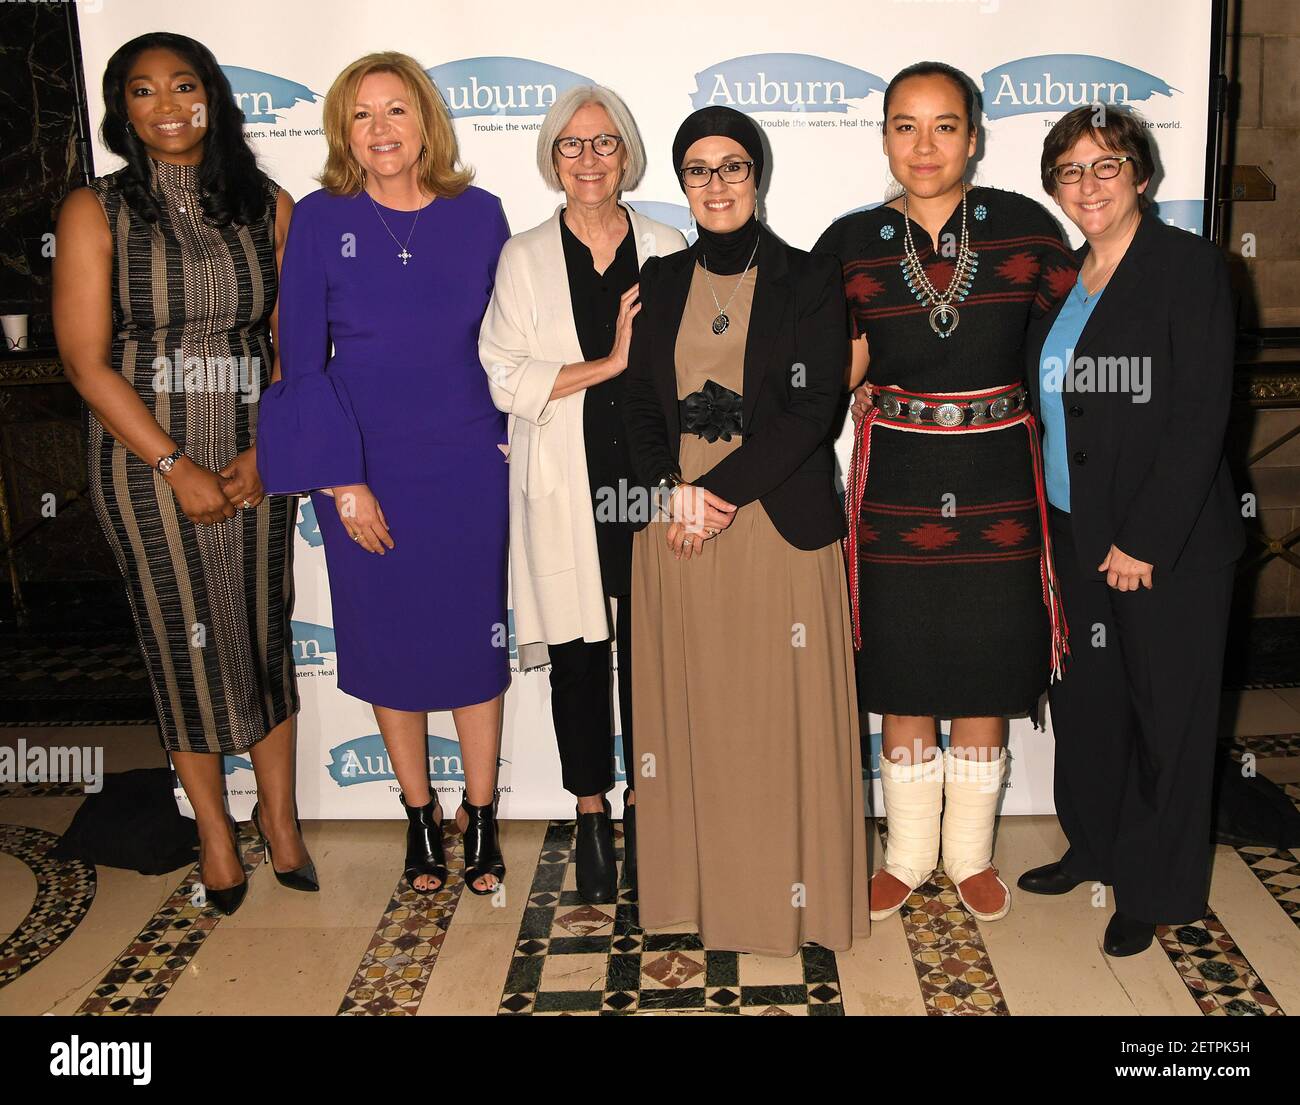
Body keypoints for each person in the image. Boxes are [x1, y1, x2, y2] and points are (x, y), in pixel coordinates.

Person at [54, 32, 313, 915]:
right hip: (144, 459)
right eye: (142, 90)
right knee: (180, 639)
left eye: (183, 85)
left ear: (213, 97)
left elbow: (295, 342)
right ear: (121, 109)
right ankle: (213, 832)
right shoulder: (96, 210)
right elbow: (88, 363)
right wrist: (175, 464)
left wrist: (260, 450)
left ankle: (280, 821)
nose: (166, 104)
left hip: (255, 449)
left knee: (262, 627)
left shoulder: (268, 203)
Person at [814, 62, 1077, 923]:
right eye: (905, 125)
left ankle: (966, 858)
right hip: (895, 478)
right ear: (885, 134)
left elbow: (1070, 347)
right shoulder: (848, 241)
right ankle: (905, 855)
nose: (924, 146)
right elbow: (823, 363)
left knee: (983, 663)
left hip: (1000, 474)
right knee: (902, 662)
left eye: (944, 125)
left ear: (973, 134)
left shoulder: (1029, 229)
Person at [257, 52, 510, 896]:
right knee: (387, 641)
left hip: (471, 462)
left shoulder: (480, 215)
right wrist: (340, 479)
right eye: (361, 115)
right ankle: (416, 814)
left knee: (475, 644)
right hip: (361, 467)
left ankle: (480, 819)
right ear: (342, 131)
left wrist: (522, 434)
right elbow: (299, 360)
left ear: (425, 122)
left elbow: (512, 340)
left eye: (395, 110)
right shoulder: (324, 222)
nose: (380, 129)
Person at [623, 105, 869, 956]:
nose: (716, 183)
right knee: (696, 719)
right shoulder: (657, 279)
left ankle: (784, 903)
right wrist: (672, 490)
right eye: (699, 168)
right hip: (675, 524)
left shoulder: (810, 276)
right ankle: (693, 895)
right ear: (682, 182)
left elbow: (813, 410)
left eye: (733, 166)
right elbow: (637, 409)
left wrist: (715, 494)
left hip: (771, 521)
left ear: (758, 175)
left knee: (771, 722)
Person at [1018, 105, 1244, 956]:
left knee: (1169, 718)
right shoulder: (1065, 280)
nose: (1088, 185)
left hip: (1167, 547)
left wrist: (1144, 539)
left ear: (1141, 175)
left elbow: (1199, 416)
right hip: (1074, 532)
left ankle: (1155, 885)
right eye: (1070, 171)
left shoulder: (1188, 268)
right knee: (1089, 704)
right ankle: (1097, 846)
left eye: (1105, 166)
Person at [478, 86, 685, 903]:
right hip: (564, 481)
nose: (590, 158)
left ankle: (652, 805)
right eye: (572, 145)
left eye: (604, 143)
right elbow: (502, 373)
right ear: (551, 158)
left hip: (646, 481)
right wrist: (609, 359)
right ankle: (591, 812)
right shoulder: (523, 255)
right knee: (577, 655)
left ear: (627, 153)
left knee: (652, 653)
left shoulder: (668, 243)